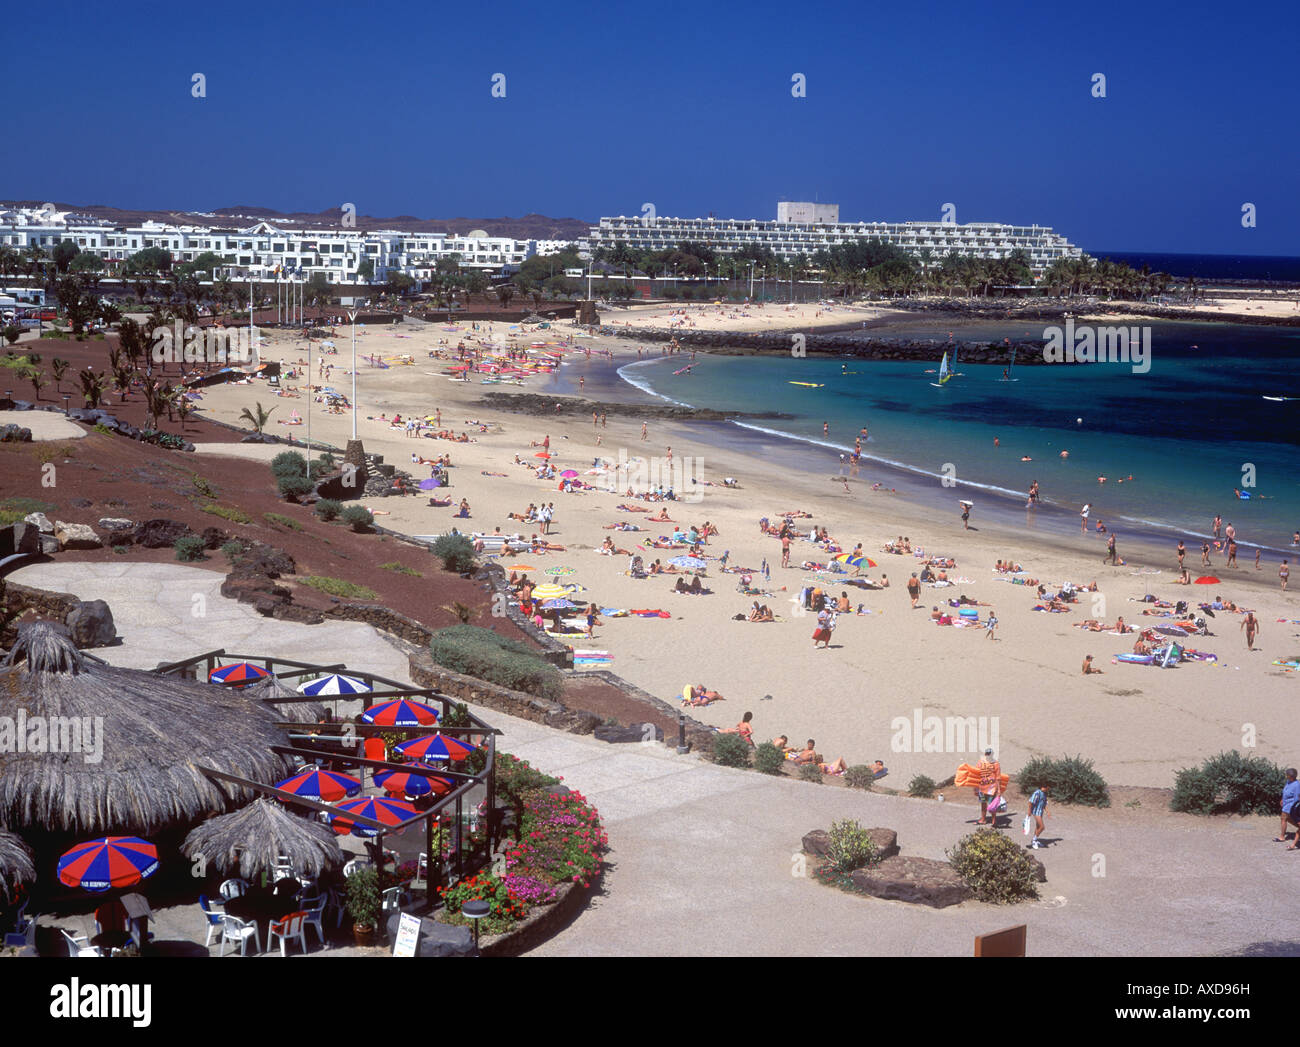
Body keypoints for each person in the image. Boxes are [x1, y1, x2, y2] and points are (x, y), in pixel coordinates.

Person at [976, 748, 1003, 826]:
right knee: (983, 803)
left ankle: (994, 821)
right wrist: (976, 787)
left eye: (989, 754)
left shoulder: (996, 764)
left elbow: (998, 778)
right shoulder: (980, 763)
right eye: (987, 754)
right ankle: (983, 819)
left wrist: (999, 790)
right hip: (982, 788)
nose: (988, 755)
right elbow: (976, 774)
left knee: (992, 805)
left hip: (992, 788)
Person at [1277, 768, 1300, 846]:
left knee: (1283, 818)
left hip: (1290, 805)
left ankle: (1282, 837)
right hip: (1286, 804)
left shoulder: (1297, 785)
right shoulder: (1288, 782)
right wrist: (1282, 799)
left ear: (1291, 776)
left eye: (1287, 775)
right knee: (1288, 819)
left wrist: (1293, 808)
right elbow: (1285, 791)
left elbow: (1296, 798)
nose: (1286, 776)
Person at [1027, 784, 1049, 849]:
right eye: (1048, 788)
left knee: (1038, 827)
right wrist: (1029, 811)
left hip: (1040, 812)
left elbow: (1044, 803)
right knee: (1042, 827)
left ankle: (1035, 840)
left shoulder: (1044, 794)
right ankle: (1034, 840)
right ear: (1044, 787)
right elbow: (1030, 802)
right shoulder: (1037, 793)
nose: (1048, 789)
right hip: (1036, 812)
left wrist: (1047, 811)